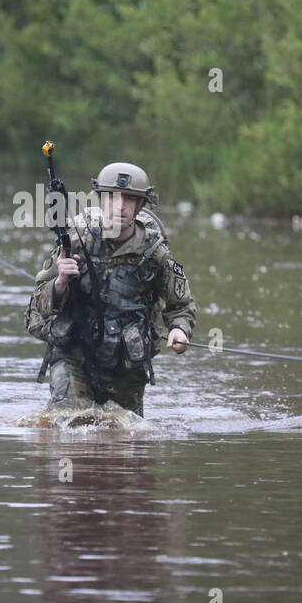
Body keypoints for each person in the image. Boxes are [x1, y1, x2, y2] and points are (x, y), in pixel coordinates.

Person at [25, 162, 196, 417]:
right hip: (73, 354)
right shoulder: (73, 241)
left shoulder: (155, 253)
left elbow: (181, 306)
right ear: (101, 199)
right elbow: (36, 306)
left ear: (140, 205)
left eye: (129, 199)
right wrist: (60, 280)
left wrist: (180, 331)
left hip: (126, 366)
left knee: (125, 437)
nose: (120, 206)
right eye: (113, 197)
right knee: (68, 421)